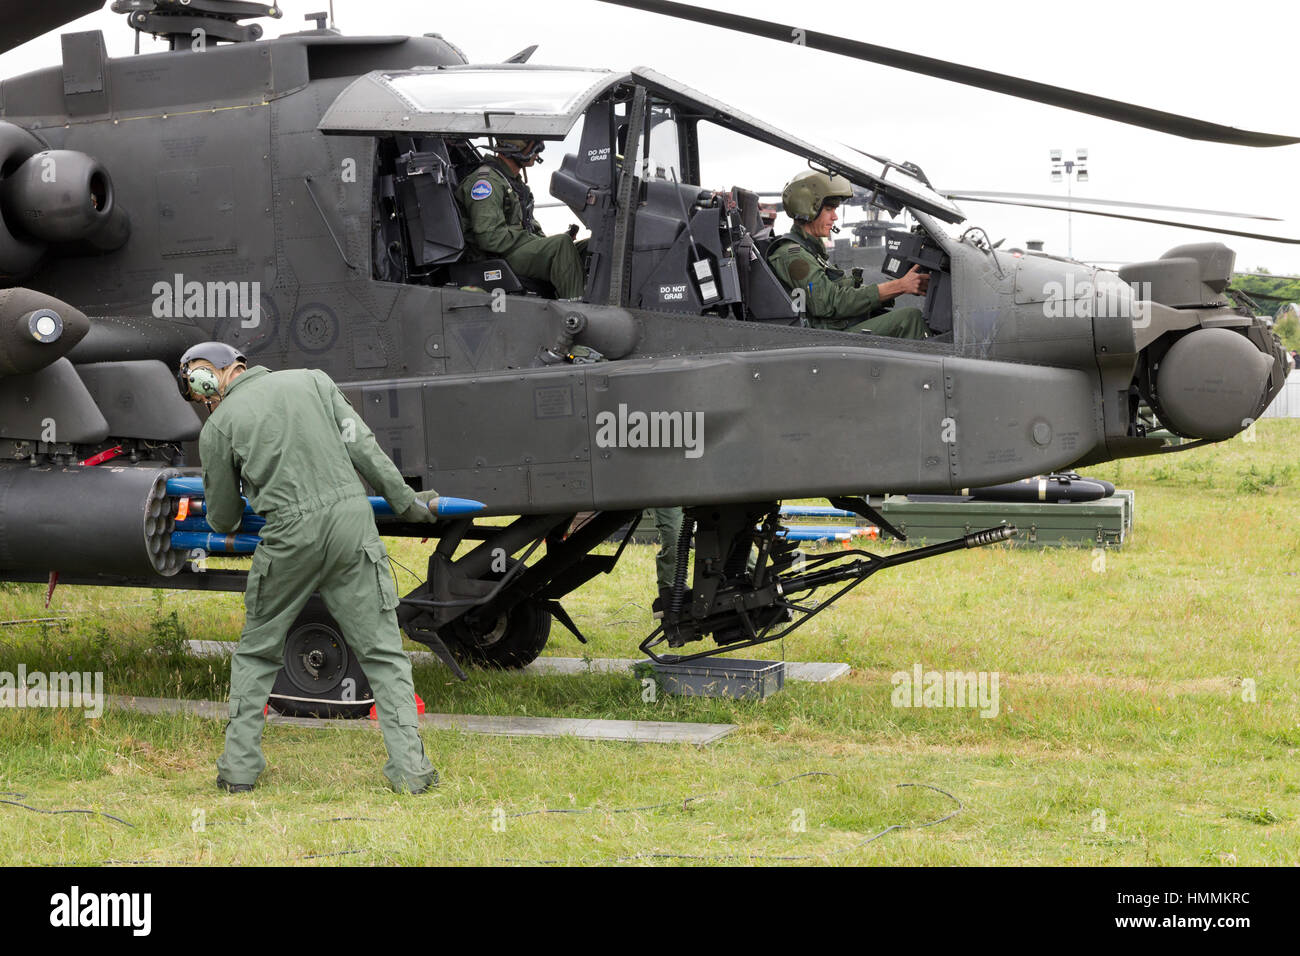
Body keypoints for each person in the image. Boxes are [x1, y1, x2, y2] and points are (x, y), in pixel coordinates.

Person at [177, 342, 440, 794]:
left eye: (198, 382)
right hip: (352, 526)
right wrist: (408, 505)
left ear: (217, 374)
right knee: (382, 653)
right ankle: (412, 773)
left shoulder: (218, 427)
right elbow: (365, 449)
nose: (201, 393)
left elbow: (223, 518)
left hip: (288, 540)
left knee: (258, 653)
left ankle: (238, 772)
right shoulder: (313, 380)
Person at [767, 170, 929, 338]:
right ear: (808, 209)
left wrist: (895, 290)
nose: (835, 217)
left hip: (837, 328)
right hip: (825, 338)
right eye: (829, 209)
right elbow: (829, 303)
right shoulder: (793, 256)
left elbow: (837, 291)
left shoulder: (810, 251)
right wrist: (899, 286)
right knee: (910, 318)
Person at [455, 137, 585, 299]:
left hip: (514, 250)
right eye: (531, 146)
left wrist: (541, 241)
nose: (537, 151)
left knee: (587, 248)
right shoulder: (486, 182)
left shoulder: (512, 182)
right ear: (511, 148)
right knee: (561, 246)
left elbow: (528, 224)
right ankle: (576, 315)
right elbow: (489, 238)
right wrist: (532, 240)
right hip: (497, 257)